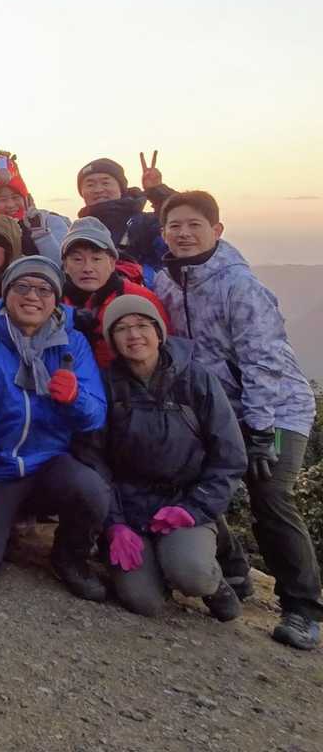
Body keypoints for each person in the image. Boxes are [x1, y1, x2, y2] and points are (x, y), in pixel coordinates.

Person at [154, 190, 322, 649]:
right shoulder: (168, 283)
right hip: (219, 410)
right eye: (175, 226)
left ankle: (303, 608)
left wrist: (261, 429)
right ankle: (234, 570)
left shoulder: (238, 286)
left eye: (194, 225)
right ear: (163, 232)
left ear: (217, 231)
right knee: (190, 477)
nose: (184, 234)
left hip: (278, 409)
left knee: (270, 496)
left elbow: (263, 361)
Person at [73, 296, 246, 621]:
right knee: (145, 602)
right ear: (112, 340)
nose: (133, 335)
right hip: (129, 507)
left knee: (191, 573)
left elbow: (230, 456)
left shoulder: (196, 380)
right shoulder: (108, 385)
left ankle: (214, 582)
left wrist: (194, 508)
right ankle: (159, 568)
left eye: (141, 325)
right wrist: (114, 524)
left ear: (158, 330)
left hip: (183, 502)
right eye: (122, 329)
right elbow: (93, 458)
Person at [0, 256, 109, 599]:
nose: (32, 296)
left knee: (92, 490)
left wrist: (76, 397)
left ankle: (70, 557)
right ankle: (3, 527)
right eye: (22, 287)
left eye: (43, 289)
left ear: (56, 298)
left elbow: (96, 415)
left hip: (49, 463)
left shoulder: (73, 344)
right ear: (6, 293)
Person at [60, 217, 166, 368]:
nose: (87, 268)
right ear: (65, 265)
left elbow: (167, 350)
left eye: (96, 259)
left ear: (111, 263)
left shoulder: (140, 298)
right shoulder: (53, 303)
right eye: (77, 259)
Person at [76, 155, 172, 280]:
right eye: (90, 185)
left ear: (121, 189)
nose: (98, 189)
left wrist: (158, 192)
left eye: (105, 182)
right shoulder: (78, 231)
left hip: (144, 295)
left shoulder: (146, 223)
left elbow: (178, 235)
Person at [0, 151, 69, 263]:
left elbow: (64, 265)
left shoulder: (51, 221)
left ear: (27, 197)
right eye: (2, 200)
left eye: (15, 197)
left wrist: (40, 233)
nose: (10, 205)